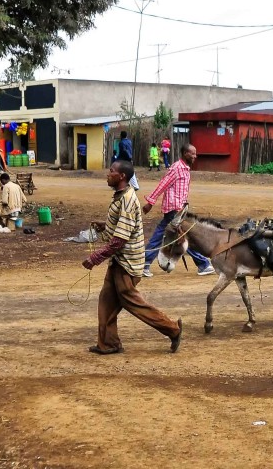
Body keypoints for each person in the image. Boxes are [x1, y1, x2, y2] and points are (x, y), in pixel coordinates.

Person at [82, 159, 182, 355]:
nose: (107, 174)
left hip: (127, 264)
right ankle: (109, 343)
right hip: (119, 261)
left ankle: (173, 329)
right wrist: (106, 225)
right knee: (106, 302)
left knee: (133, 303)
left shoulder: (127, 200)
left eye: (111, 172)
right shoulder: (121, 196)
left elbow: (119, 240)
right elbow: (122, 227)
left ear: (122, 177)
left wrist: (95, 258)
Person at [141, 143, 214, 277]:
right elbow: (163, 184)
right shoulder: (177, 168)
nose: (195, 156)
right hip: (173, 208)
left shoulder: (185, 168)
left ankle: (145, 263)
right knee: (183, 235)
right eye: (193, 153)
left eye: (195, 153)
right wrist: (150, 202)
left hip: (179, 208)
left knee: (164, 234)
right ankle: (203, 264)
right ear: (185, 153)